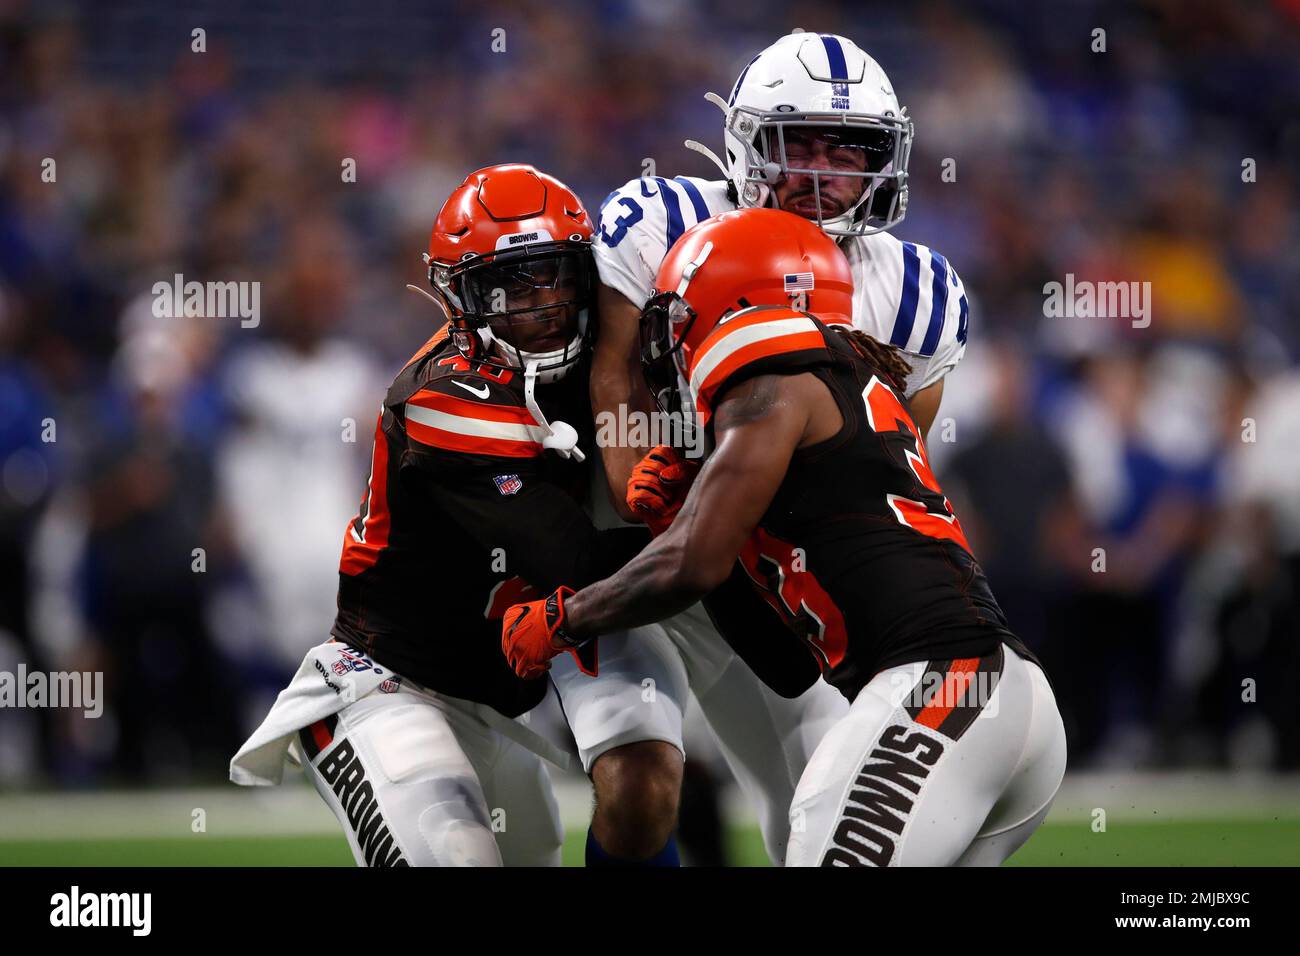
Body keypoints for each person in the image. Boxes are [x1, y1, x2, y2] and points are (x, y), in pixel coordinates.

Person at [503, 208, 1067, 866]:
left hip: (943, 689)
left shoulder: (775, 381)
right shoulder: (829, 388)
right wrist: (686, 514)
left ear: (737, 304)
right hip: (992, 700)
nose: (671, 337)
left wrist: (564, 618)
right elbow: (789, 666)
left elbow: (690, 566)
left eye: (684, 312)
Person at [579, 31, 972, 863]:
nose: (825, 171)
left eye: (850, 149)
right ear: (746, 142)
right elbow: (616, 379)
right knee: (637, 782)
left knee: (818, 791)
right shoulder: (664, 219)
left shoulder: (916, 293)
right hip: (629, 543)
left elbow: (878, 473)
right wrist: (642, 495)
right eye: (800, 144)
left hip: (766, 575)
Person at [229, 163, 655, 866]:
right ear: (464, 297)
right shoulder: (445, 401)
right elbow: (576, 560)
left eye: (555, 275)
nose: (543, 303)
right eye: (513, 284)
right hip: (386, 687)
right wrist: (716, 537)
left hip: (495, 705)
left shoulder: (601, 367)